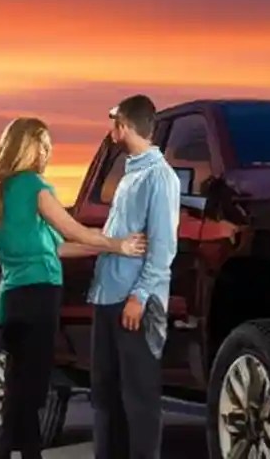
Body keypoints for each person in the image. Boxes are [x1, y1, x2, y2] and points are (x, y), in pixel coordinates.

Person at [0, 117, 145, 459]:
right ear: (30, 147)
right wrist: (118, 245)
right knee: (31, 392)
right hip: (39, 296)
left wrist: (103, 247)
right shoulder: (34, 186)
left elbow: (58, 247)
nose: (48, 152)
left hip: (11, 300)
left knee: (19, 389)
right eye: (44, 145)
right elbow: (73, 230)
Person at [87, 95, 181, 459]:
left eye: (115, 124)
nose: (112, 131)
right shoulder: (131, 174)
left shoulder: (160, 177)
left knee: (139, 398)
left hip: (134, 304)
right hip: (108, 296)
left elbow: (163, 246)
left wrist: (140, 296)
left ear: (124, 127)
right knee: (105, 394)